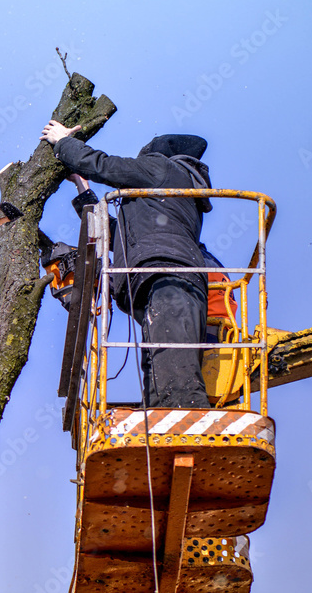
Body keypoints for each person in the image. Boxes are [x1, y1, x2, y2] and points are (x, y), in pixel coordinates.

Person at [42, 120, 213, 409]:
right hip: (163, 277)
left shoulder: (164, 169)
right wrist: (82, 188)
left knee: (172, 365)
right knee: (159, 359)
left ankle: (183, 418)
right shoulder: (167, 198)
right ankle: (161, 416)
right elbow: (120, 235)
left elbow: (105, 166)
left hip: (168, 277)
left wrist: (63, 143)